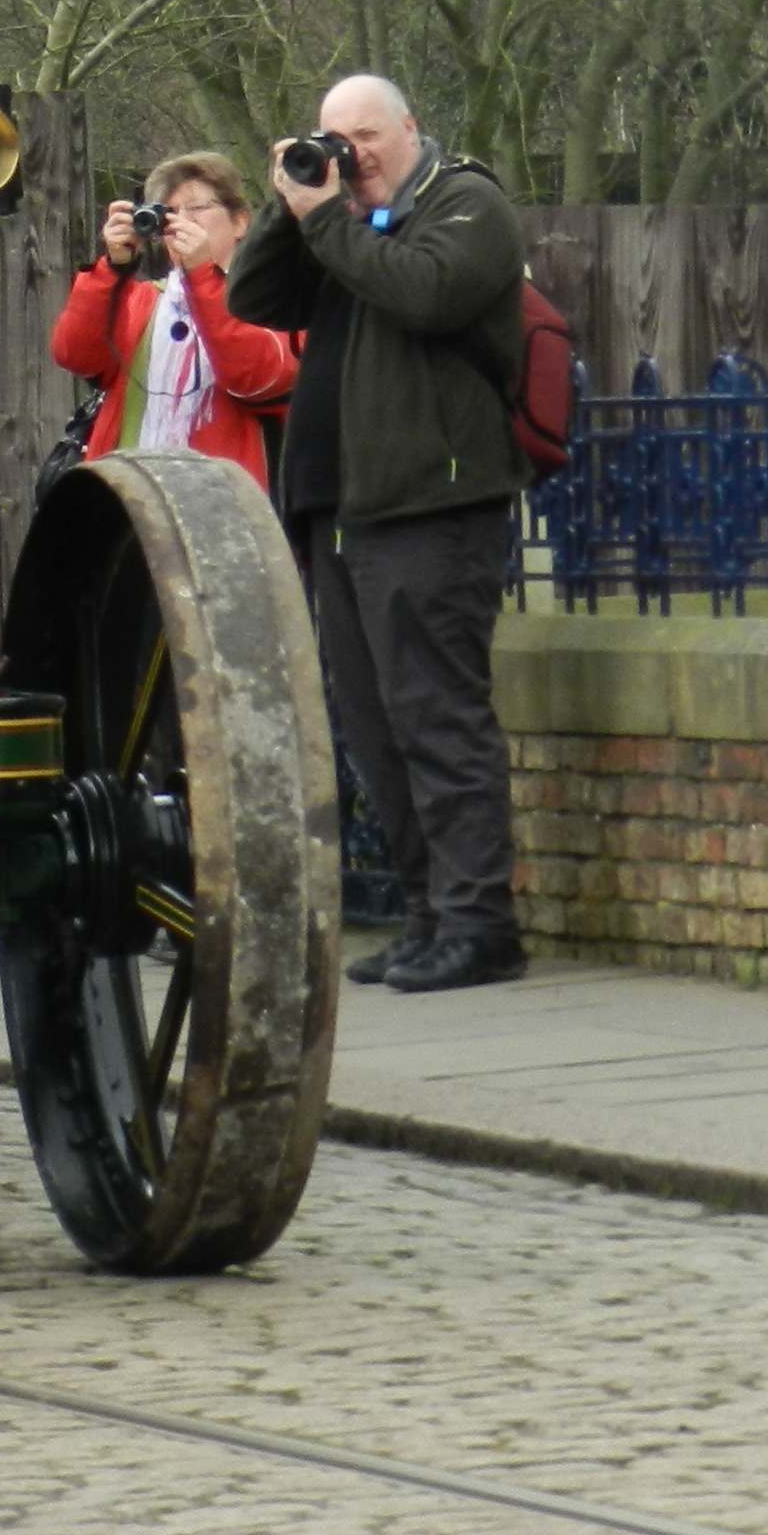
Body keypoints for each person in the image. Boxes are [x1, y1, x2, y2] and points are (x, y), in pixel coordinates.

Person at [225, 73, 535, 993]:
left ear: (411, 128)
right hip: (345, 508)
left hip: (432, 507)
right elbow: (253, 296)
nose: (350, 153)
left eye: (365, 135)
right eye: (332, 136)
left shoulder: (466, 205)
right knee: (373, 727)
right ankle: (426, 915)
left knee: (437, 716)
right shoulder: (340, 223)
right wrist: (294, 203)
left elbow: (427, 294)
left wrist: (331, 221)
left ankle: (482, 924)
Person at [47, 153, 297, 491]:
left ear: (240, 222)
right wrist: (113, 267)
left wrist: (202, 276)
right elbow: (73, 354)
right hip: (131, 505)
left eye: (196, 209)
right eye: (170, 214)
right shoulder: (142, 300)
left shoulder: (277, 300)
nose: (182, 223)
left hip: (230, 510)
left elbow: (253, 377)